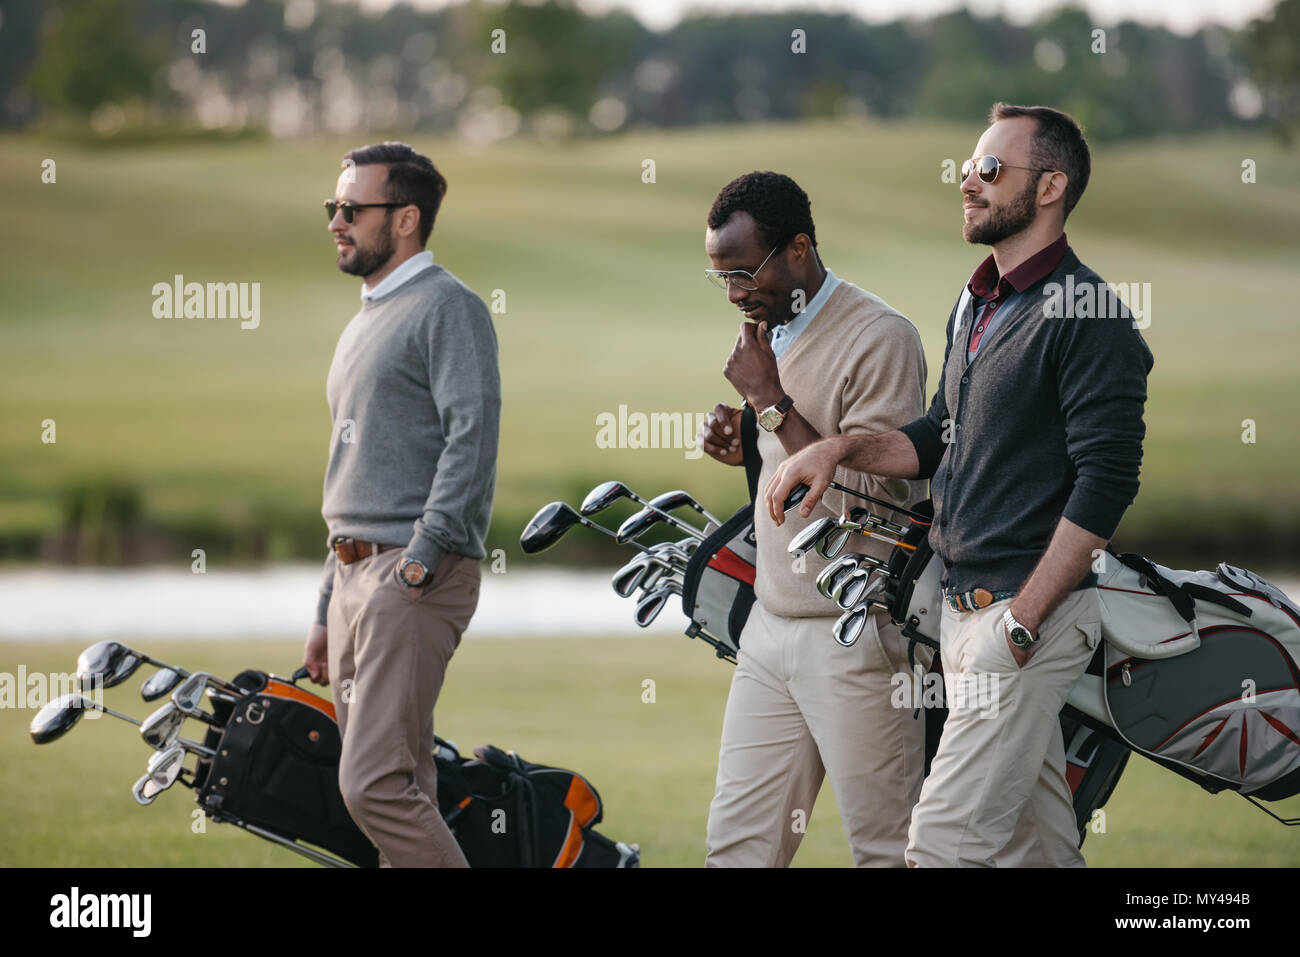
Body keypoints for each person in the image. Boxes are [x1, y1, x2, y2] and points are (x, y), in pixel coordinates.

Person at [765, 104, 1153, 867]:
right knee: (1037, 849)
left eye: (990, 170)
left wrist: (1022, 624)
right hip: (962, 615)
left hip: (1028, 619)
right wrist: (837, 448)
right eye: (969, 168)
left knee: (940, 845)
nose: (968, 183)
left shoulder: (1090, 314)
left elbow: (1107, 483)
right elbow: (936, 436)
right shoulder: (977, 301)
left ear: (1050, 187)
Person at [695, 171, 931, 866]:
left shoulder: (881, 337)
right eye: (722, 277)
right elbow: (794, 455)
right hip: (770, 628)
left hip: (856, 634)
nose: (735, 293)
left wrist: (769, 403)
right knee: (736, 849)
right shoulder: (773, 329)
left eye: (744, 272)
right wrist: (748, 436)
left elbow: (874, 505)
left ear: (798, 248)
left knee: (888, 850)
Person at [301, 141, 500, 867]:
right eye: (334, 206)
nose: (336, 221)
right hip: (357, 578)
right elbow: (352, 475)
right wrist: (328, 605)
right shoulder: (366, 319)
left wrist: (421, 557)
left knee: (374, 786)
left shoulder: (449, 308)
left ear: (406, 218)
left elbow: (472, 438)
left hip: (410, 576)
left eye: (352, 208)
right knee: (402, 787)